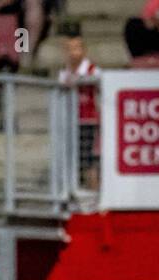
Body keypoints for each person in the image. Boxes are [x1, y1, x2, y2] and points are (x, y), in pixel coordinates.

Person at [58, 34, 99, 191]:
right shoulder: (63, 73)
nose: (73, 52)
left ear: (84, 50)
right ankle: (73, 191)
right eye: (70, 49)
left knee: (88, 159)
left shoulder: (93, 70)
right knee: (71, 159)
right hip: (68, 121)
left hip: (87, 120)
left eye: (77, 48)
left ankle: (94, 193)